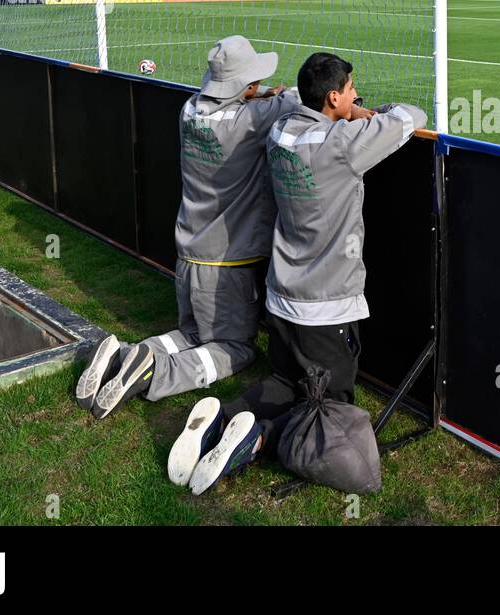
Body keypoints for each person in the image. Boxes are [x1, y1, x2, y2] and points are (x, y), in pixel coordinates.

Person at [177, 52, 428, 495]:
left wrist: (346, 113)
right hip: (326, 307)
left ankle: (220, 419)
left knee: (283, 380)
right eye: (351, 91)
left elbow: (295, 108)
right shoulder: (342, 144)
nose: (355, 96)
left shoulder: (279, 130)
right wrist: (369, 114)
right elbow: (411, 116)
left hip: (281, 296)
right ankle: (258, 441)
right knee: (329, 407)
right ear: (334, 97)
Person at [77, 36, 307, 421]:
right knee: (236, 346)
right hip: (226, 262)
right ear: (244, 88)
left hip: (187, 251)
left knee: (195, 335)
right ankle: (156, 373)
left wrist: (253, 89)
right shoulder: (252, 118)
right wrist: (267, 91)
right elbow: (303, 97)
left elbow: (238, 97)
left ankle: (124, 355)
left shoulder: (190, 111)